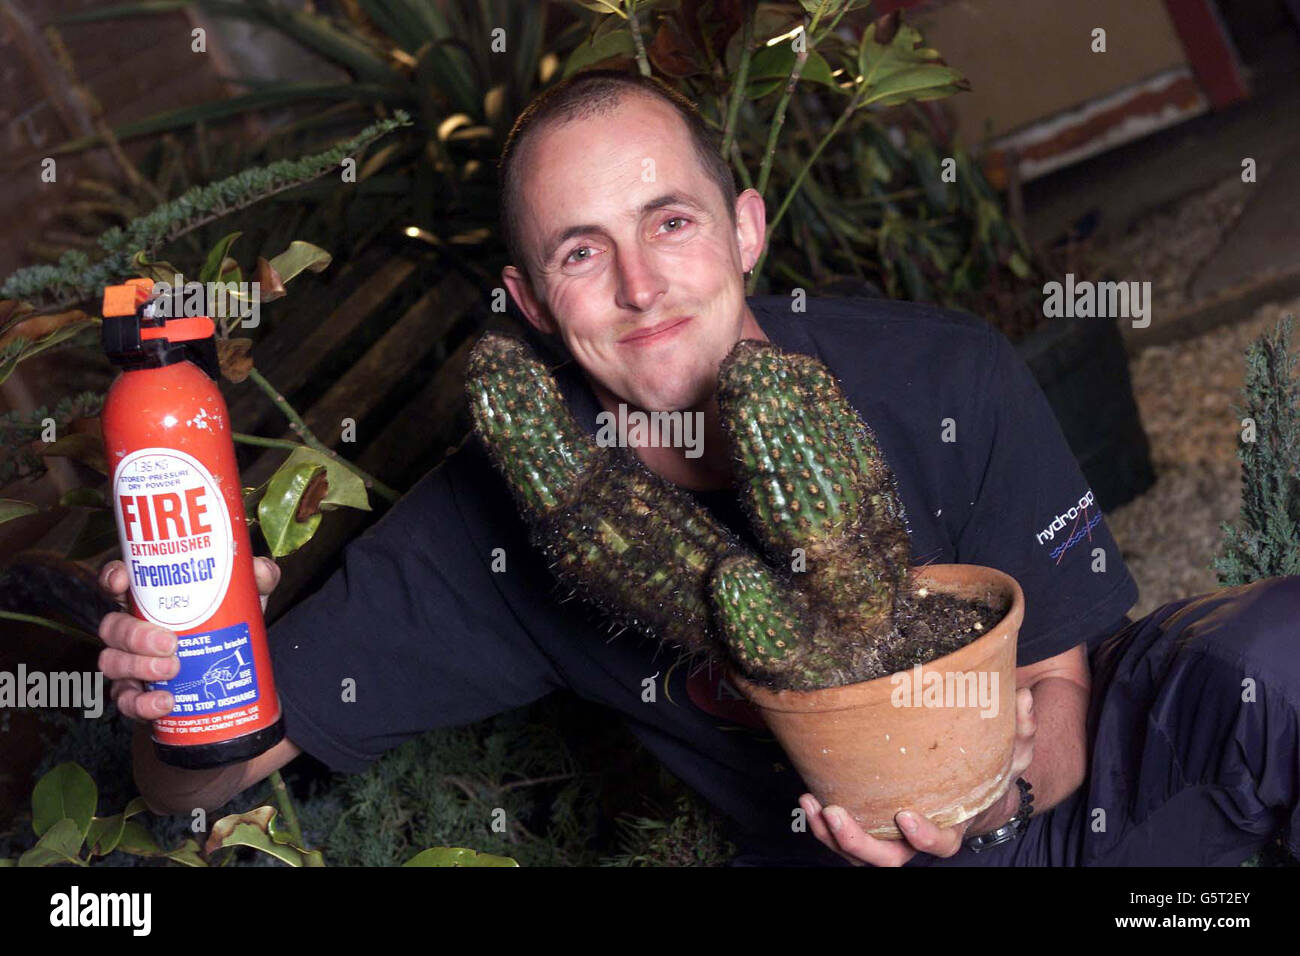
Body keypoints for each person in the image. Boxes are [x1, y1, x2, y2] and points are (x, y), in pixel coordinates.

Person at [96, 70, 1300, 867]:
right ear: (525, 302)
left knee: (1274, 661)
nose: (639, 286)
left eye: (669, 221)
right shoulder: (503, 510)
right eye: (582, 251)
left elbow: (1068, 699)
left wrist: (981, 801)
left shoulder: (942, 377)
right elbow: (197, 782)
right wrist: (177, 689)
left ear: (744, 228)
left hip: (1078, 813)